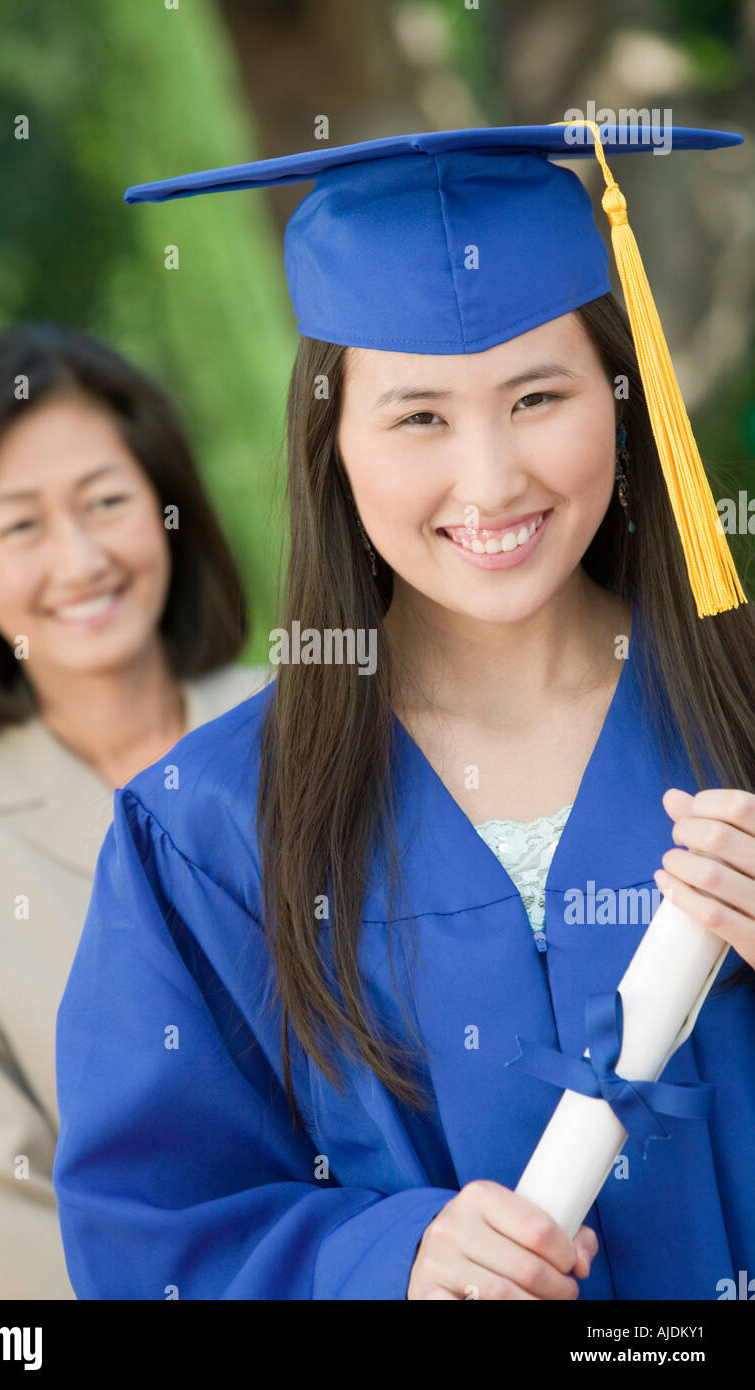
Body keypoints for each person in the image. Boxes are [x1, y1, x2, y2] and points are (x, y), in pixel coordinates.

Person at [53, 123, 755, 1300]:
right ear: (332, 444)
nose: (490, 481)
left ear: (624, 402)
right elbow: (149, 1239)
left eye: (539, 396)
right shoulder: (213, 827)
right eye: (418, 416)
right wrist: (383, 1265)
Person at [0, 324, 271, 1299]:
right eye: (20, 525)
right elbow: (10, 1202)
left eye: (107, 501)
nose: (81, 556)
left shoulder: (314, 724)